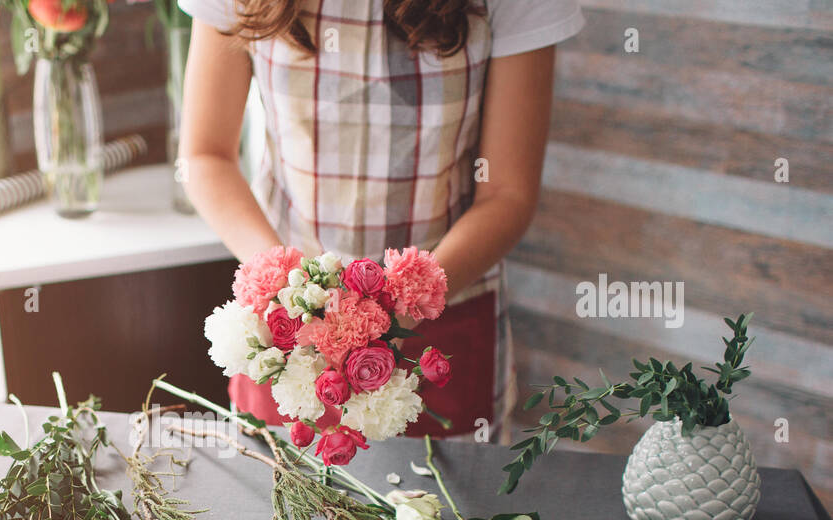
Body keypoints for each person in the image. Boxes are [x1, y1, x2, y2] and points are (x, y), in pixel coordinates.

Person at [178, 0, 584, 438]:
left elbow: (507, 193)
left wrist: (392, 316)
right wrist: (295, 297)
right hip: (288, 334)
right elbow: (206, 157)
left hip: (441, 324)